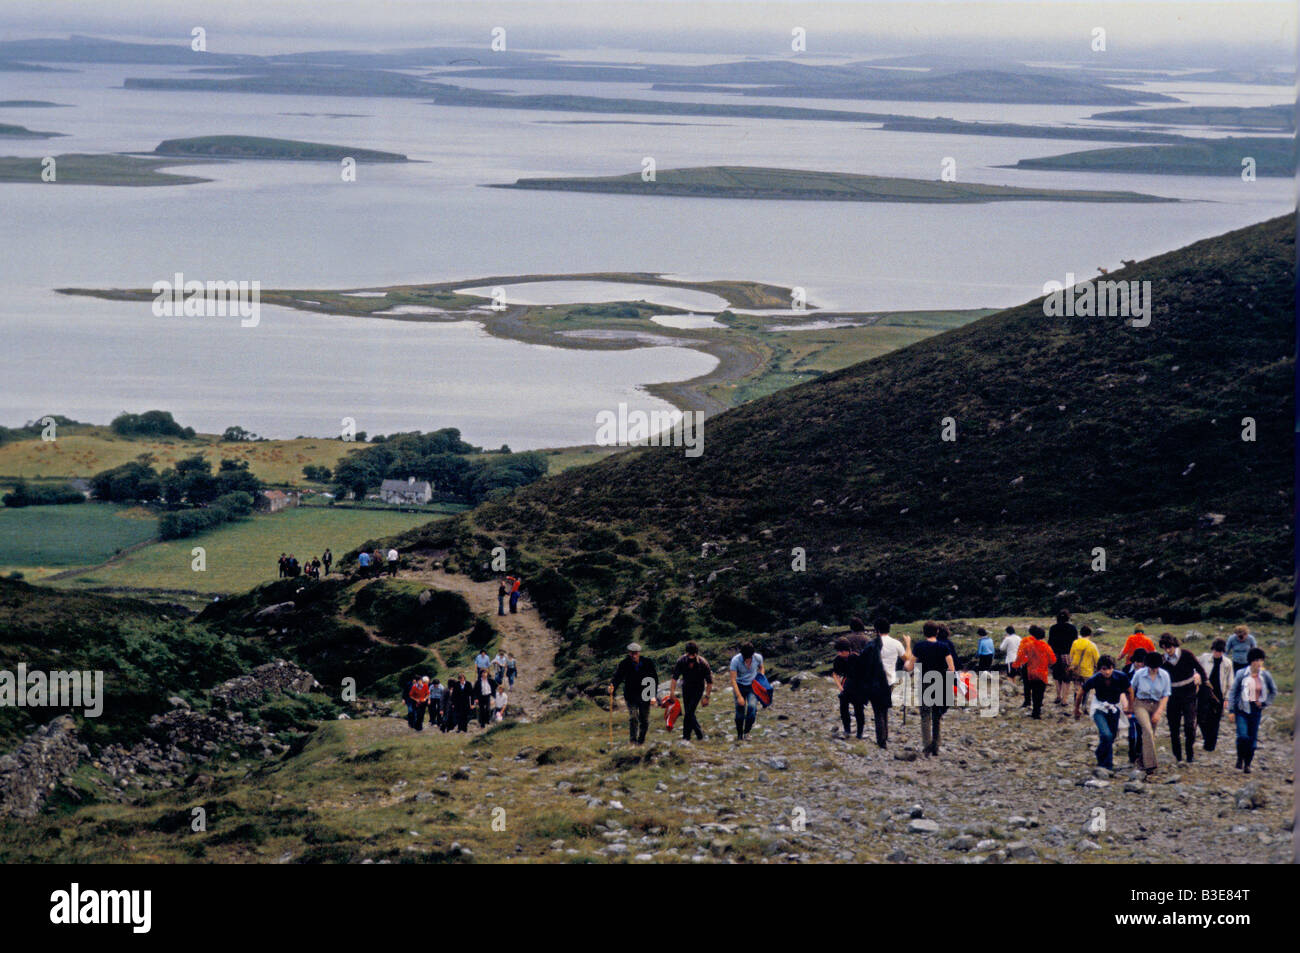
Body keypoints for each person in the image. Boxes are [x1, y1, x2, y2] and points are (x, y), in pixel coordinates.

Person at [1075, 655, 1134, 770]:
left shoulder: (1121, 677)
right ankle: (1107, 765)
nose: (1107, 672)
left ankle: (1100, 754)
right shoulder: (1095, 678)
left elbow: (1130, 691)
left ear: (1113, 668)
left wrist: (1130, 706)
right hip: (1099, 708)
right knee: (1106, 734)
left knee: (1111, 737)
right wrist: (1076, 708)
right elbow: (1081, 692)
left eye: (1109, 669)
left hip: (1114, 707)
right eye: (1104, 669)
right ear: (1099, 669)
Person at [1228, 648, 1277, 773]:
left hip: (1256, 710)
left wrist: (1265, 703)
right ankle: (1240, 757)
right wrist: (1231, 710)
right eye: (1256, 660)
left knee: (1253, 740)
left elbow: (1273, 690)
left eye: (1261, 660)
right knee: (1243, 736)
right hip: (1242, 709)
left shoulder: (1265, 675)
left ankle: (1247, 764)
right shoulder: (1241, 673)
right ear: (1250, 661)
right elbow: (1233, 691)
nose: (1259, 663)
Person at [1159, 633, 1206, 764]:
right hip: (1172, 695)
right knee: (1173, 727)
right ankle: (1178, 756)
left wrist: (1205, 683)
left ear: (1174, 645)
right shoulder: (1162, 660)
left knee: (1189, 725)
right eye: (1164, 648)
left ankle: (1190, 753)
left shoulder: (1187, 654)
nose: (1167, 650)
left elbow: (1201, 670)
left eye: (1169, 647)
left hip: (1189, 693)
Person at [912, 621, 954, 757]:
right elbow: (951, 668)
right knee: (937, 715)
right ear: (937, 632)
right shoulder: (944, 647)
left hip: (924, 681)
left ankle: (926, 746)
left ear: (924, 632)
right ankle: (936, 746)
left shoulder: (919, 646)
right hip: (940, 681)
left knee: (925, 715)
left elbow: (910, 664)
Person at [872, 616, 911, 745]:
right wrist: (908, 644)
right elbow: (907, 659)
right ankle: (885, 735)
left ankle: (881, 739)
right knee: (885, 708)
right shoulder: (896, 643)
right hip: (890, 680)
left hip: (876, 680)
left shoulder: (872, 643)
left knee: (878, 711)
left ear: (876, 630)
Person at [1131, 650, 1171, 775]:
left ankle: (1141, 761)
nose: (1153, 670)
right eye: (1151, 667)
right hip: (1141, 704)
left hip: (1156, 704)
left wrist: (1159, 711)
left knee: (1150, 734)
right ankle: (1151, 765)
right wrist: (1130, 705)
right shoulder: (1139, 674)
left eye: (1156, 667)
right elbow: (1131, 688)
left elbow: (1166, 695)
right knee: (1147, 730)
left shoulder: (1164, 675)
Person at [610, 642, 657, 745]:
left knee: (644, 720)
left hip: (645, 694)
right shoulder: (624, 663)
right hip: (631, 695)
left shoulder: (647, 662)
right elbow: (618, 677)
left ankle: (641, 740)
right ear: (629, 653)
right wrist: (613, 686)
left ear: (639, 652)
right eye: (631, 653)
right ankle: (632, 741)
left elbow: (653, 679)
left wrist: (653, 695)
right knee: (633, 717)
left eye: (635, 653)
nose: (634, 655)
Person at [669, 641, 713, 741]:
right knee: (689, 713)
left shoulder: (703, 663)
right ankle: (692, 736)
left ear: (696, 653)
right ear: (686, 653)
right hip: (686, 688)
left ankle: (692, 736)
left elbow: (709, 682)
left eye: (693, 655)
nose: (691, 657)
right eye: (689, 655)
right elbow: (674, 677)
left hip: (698, 689)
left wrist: (707, 697)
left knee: (689, 712)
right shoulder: (681, 661)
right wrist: (671, 692)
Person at [1196, 639, 1234, 753]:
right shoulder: (1203, 658)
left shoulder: (1227, 663)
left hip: (1219, 694)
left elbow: (1230, 682)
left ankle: (1210, 745)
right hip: (1204, 691)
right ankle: (1206, 737)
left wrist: (1227, 698)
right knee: (1201, 717)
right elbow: (1194, 667)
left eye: (1221, 651)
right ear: (1212, 650)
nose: (1218, 653)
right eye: (1216, 651)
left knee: (1215, 719)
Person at [1014, 625, 1056, 719]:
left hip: (1031, 672)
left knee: (1032, 690)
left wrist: (1016, 665)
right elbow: (1053, 660)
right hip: (1042, 673)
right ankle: (1037, 711)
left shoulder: (1028, 645)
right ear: (1043, 636)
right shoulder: (1046, 646)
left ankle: (1033, 709)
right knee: (1040, 692)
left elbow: (1020, 656)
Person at [728, 642, 764, 741]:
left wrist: (760, 678)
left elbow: (761, 667)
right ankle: (739, 734)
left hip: (752, 686)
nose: (747, 660)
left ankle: (747, 732)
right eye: (745, 657)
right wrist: (739, 696)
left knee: (752, 708)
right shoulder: (735, 660)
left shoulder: (758, 658)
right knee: (740, 711)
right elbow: (733, 680)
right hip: (739, 685)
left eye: (749, 657)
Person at [832, 635, 865, 739]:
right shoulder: (838, 659)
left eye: (841, 651)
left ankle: (860, 732)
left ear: (847, 650)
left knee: (858, 710)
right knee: (843, 708)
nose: (839, 653)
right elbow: (835, 674)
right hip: (846, 685)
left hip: (858, 686)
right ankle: (847, 730)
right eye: (838, 651)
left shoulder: (856, 657)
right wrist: (839, 686)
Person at [1047, 611, 1078, 706]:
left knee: (1057, 676)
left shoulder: (1053, 628)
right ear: (1068, 618)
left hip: (1055, 654)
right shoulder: (1072, 628)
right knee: (1067, 678)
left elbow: (1050, 642)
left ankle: (1058, 696)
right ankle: (1064, 700)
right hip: (1067, 655)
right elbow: (1075, 642)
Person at [1069, 625, 1101, 707]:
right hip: (1087, 671)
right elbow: (1097, 659)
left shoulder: (1075, 643)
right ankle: (1083, 705)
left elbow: (1071, 655)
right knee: (1086, 689)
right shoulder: (1092, 645)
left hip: (1076, 670)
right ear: (1090, 634)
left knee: (1077, 688)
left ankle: (1076, 705)